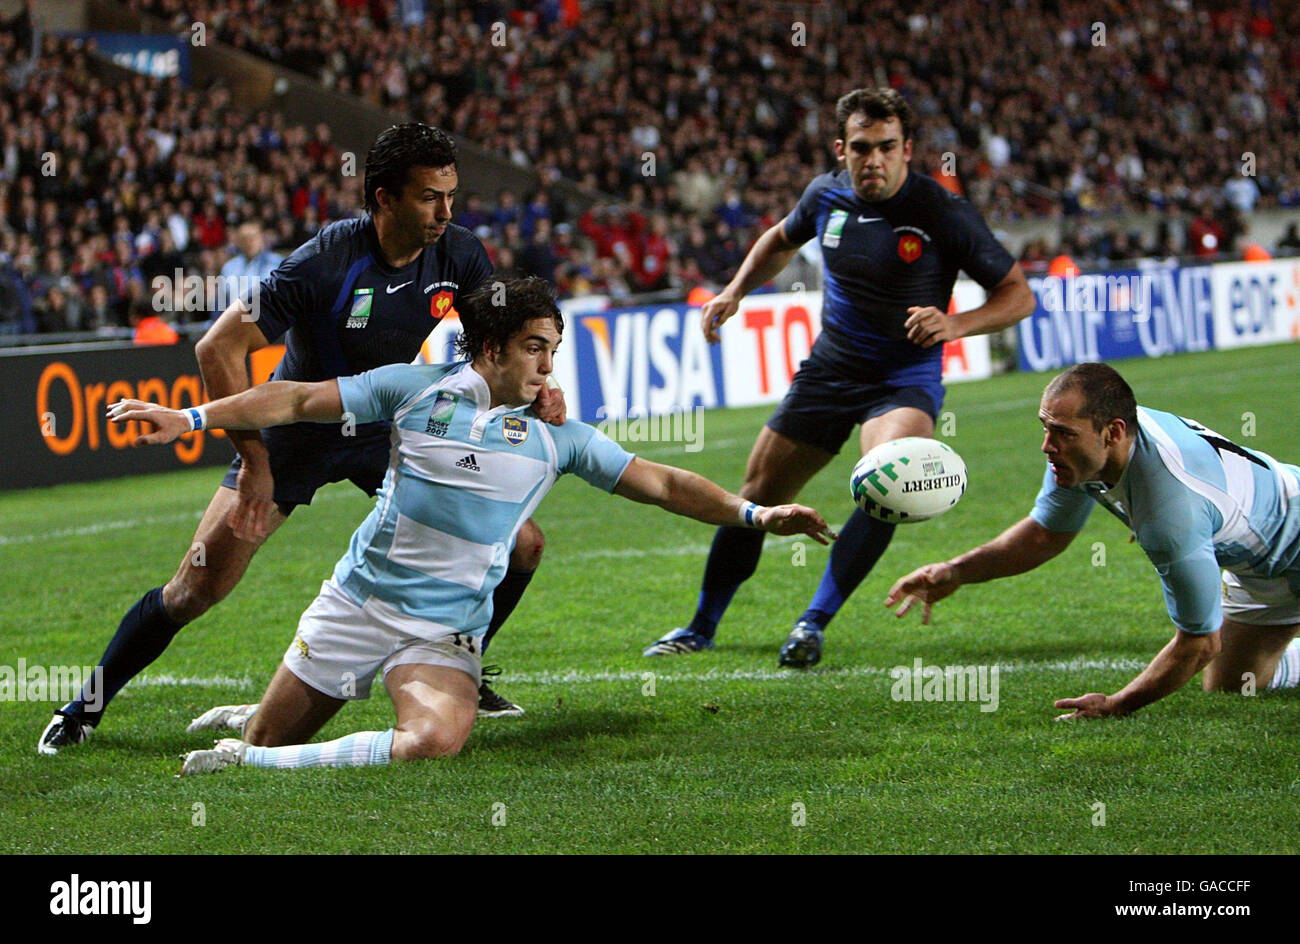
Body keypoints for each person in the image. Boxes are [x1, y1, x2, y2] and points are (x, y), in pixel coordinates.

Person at [106, 278, 835, 774]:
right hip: (355, 605)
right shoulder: (411, 391)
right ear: (490, 348)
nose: (550, 366)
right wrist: (191, 418)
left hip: (442, 635)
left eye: (553, 348)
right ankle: (261, 720)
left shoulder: (562, 437)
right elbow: (294, 399)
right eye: (535, 348)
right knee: (275, 725)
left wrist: (756, 513)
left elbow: (666, 483)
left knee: (433, 742)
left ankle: (251, 758)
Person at [39, 124, 552, 755]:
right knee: (196, 586)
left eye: (451, 195)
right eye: (429, 198)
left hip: (387, 428)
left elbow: (490, 343)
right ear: (383, 197)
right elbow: (217, 347)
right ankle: (83, 707)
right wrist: (253, 461)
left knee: (520, 541)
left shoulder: (460, 256)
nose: (446, 212)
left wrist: (534, 388)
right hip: (295, 431)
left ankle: (459, 667)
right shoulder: (325, 261)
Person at [645, 87, 1035, 667]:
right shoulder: (825, 195)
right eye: (861, 147)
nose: (873, 159)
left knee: (889, 484)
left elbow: (1019, 295)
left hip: (903, 376)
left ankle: (813, 622)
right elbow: (779, 239)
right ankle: (701, 626)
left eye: (886, 147)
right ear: (841, 149)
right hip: (831, 370)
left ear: (907, 149)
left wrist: (955, 324)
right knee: (756, 498)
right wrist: (734, 292)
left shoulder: (941, 212)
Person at [885, 363, 1300, 718]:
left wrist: (1117, 704)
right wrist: (957, 571)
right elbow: (1044, 535)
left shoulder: (1169, 512)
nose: (1047, 446)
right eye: (1045, 427)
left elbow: (1198, 643)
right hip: (1260, 565)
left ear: (1113, 431)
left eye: (1062, 433)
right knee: (1234, 687)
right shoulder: (1088, 454)